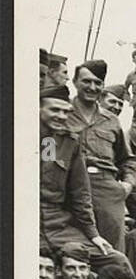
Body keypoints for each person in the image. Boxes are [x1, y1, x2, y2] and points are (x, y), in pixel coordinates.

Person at [64, 60, 136, 251]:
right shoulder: (62, 114)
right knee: (72, 250)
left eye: (98, 83)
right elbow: (46, 154)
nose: (92, 87)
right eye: (86, 81)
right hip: (69, 188)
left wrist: (126, 186)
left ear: (103, 86)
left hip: (106, 190)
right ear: (74, 82)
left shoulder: (111, 120)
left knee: (112, 253)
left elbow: (127, 160)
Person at [39, 82, 109, 256]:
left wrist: (93, 234)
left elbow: (80, 193)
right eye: (55, 110)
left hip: (57, 224)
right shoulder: (17, 135)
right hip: (20, 220)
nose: (62, 116)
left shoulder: (69, 142)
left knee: (114, 259)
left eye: (66, 111)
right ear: (38, 108)